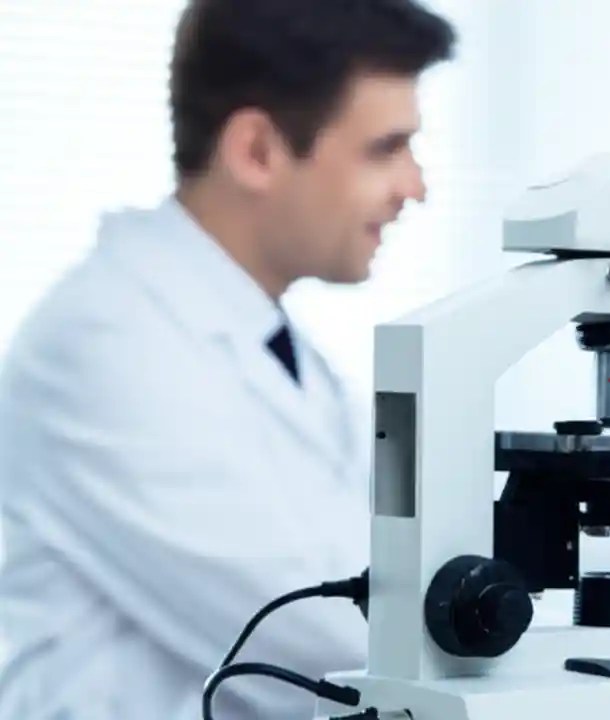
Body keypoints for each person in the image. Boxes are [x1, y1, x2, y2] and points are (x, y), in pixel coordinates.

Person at [0, 1, 454, 718]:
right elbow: (320, 636)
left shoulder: (267, 341)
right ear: (257, 151)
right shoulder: (104, 345)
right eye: (385, 149)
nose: (415, 188)